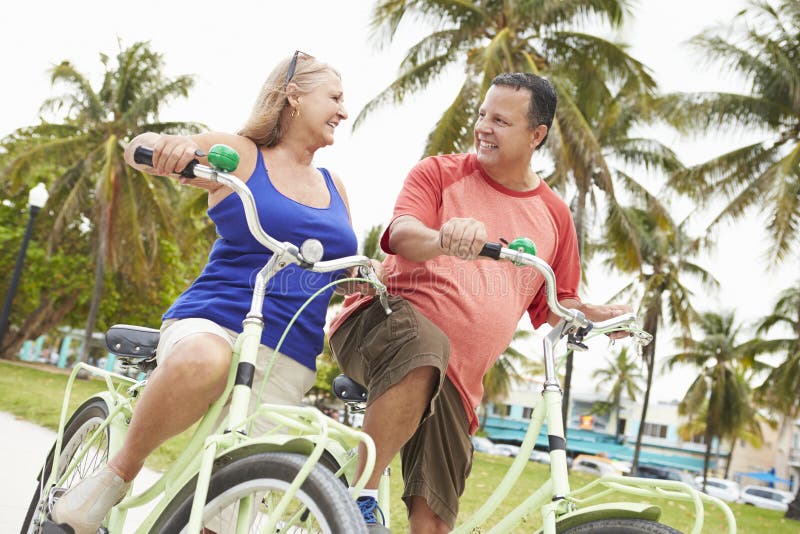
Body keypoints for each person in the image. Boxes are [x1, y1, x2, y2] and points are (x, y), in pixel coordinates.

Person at [52, 51, 362, 534]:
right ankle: (115, 476)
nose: (344, 110)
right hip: (218, 317)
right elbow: (140, 148)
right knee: (205, 362)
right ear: (294, 97)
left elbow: (339, 264)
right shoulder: (240, 153)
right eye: (336, 97)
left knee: (230, 509)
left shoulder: (334, 185)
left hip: (291, 348)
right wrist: (167, 147)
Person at [329, 72, 632, 533]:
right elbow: (403, 236)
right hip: (380, 326)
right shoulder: (439, 173)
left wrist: (595, 315)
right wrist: (443, 239)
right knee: (424, 346)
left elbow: (557, 302)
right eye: (481, 115)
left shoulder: (554, 215)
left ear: (537, 135)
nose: (483, 127)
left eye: (500, 121)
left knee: (434, 519)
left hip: (457, 378)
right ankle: (359, 498)